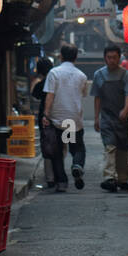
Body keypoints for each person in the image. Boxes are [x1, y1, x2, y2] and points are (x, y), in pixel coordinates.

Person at [41, 44, 88, 192]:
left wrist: (46, 114)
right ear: (76, 57)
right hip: (73, 120)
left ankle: (62, 182)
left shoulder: (54, 73)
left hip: (57, 121)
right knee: (77, 148)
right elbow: (83, 94)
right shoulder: (82, 75)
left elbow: (50, 95)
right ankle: (77, 165)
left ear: (61, 56)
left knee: (57, 152)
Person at [92, 44, 128, 192]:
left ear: (119, 57)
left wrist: (125, 109)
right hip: (107, 117)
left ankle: (123, 179)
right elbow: (97, 98)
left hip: (124, 118)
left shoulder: (126, 75)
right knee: (109, 146)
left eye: (114, 57)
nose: (112, 60)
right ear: (105, 58)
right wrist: (96, 118)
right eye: (109, 57)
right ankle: (109, 178)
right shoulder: (99, 75)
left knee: (123, 148)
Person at [30, 57, 54, 187]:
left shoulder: (41, 84)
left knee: (47, 146)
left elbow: (34, 94)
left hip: (44, 117)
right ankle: (59, 173)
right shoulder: (56, 80)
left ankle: (50, 177)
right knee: (61, 144)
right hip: (58, 116)